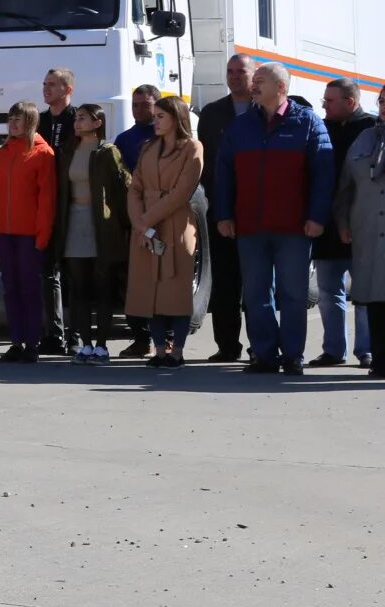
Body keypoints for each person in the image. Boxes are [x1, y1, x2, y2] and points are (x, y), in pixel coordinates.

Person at [213, 62, 337, 376]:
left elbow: (324, 174)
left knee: (293, 293)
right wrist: (224, 214)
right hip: (250, 227)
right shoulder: (240, 126)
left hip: (294, 226)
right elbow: (224, 173)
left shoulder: (307, 122)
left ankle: (293, 355)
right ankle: (265, 356)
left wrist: (316, 216)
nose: (253, 86)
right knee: (255, 294)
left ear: (281, 88)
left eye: (261, 81)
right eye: (254, 81)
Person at [125, 95, 204, 368]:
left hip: (175, 227)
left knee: (176, 293)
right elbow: (135, 188)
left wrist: (146, 219)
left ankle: (177, 351)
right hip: (145, 229)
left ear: (176, 118)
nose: (155, 120)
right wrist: (140, 223)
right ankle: (159, 350)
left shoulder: (192, 148)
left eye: (161, 116)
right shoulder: (148, 148)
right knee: (151, 292)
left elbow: (181, 193)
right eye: (155, 116)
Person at [53, 104, 130, 363]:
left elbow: (122, 191)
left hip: (101, 224)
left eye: (83, 118)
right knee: (78, 287)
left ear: (98, 123)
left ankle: (102, 345)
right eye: (76, 118)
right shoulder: (68, 151)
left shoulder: (107, 152)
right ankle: (84, 343)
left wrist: (122, 227)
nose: (77, 122)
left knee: (103, 285)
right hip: (74, 222)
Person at [0, 101, 57, 364]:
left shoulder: (43, 153)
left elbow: (46, 199)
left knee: (29, 289)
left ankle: (33, 343)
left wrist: (42, 235)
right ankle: (16, 341)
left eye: (18, 120)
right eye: (10, 119)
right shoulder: (2, 155)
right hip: (4, 232)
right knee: (10, 289)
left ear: (31, 122)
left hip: (29, 234)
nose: (12, 124)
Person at [196, 54, 257, 360]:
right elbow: (207, 167)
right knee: (225, 283)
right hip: (221, 211)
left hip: (258, 212)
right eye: (230, 71)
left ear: (254, 75)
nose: (234, 76)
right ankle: (227, 346)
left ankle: (262, 347)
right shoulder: (212, 113)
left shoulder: (266, 111)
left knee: (258, 286)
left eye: (240, 71)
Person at [315, 78, 375, 367]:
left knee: (364, 293)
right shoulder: (321, 129)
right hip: (326, 224)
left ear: (350, 102)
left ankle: (366, 350)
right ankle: (333, 350)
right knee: (328, 292)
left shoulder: (370, 131)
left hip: (362, 224)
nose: (324, 105)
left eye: (330, 100)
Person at [332, 87, 385, 378]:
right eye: (381, 101)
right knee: (375, 300)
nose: (384, 106)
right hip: (368, 231)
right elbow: (346, 187)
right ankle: (380, 362)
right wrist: (342, 222)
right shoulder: (365, 139)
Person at [112, 84, 160, 357]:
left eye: (145, 104)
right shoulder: (123, 139)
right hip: (132, 219)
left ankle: (162, 338)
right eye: (135, 104)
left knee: (160, 282)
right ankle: (141, 338)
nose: (139, 109)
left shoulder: (164, 135)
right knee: (132, 283)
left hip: (159, 218)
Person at [38, 68, 78, 355]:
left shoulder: (77, 119)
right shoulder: (39, 121)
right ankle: (54, 333)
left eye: (52, 85)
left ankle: (76, 334)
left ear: (67, 89)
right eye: (44, 84)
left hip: (72, 204)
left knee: (73, 272)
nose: (46, 89)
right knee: (48, 273)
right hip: (45, 203)